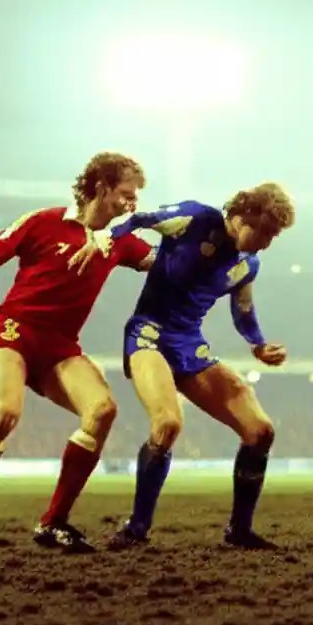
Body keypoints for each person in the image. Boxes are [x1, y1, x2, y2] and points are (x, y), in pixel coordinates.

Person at [0, 152, 153, 554]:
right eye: (127, 194)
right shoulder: (43, 222)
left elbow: (163, 264)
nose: (133, 203)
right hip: (15, 332)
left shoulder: (119, 240)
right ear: (101, 187)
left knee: (102, 411)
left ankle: (53, 522)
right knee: (4, 415)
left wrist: (199, 245)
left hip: (61, 346)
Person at [67, 183, 294, 550]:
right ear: (241, 218)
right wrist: (103, 239)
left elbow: (243, 310)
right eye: (265, 232)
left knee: (260, 430)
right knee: (168, 423)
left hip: (189, 343)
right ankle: (136, 529)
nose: (267, 243)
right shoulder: (196, 218)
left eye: (274, 236)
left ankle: (239, 530)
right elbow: (141, 219)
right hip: (148, 333)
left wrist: (258, 344)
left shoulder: (248, 265)